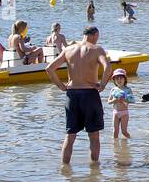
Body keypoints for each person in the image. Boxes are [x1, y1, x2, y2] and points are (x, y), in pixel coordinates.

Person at [47, 25, 112, 164]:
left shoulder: (68, 49)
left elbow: (50, 68)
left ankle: (65, 169)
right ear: (94, 35)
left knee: (70, 136)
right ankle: (94, 169)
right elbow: (108, 67)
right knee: (94, 136)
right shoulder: (96, 49)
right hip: (90, 94)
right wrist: (103, 84)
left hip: (72, 94)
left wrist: (61, 86)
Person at [108, 68, 134, 140]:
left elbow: (132, 100)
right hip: (115, 113)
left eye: (121, 78)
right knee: (115, 132)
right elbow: (109, 101)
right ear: (114, 80)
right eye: (117, 78)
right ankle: (115, 147)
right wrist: (114, 100)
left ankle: (131, 140)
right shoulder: (113, 90)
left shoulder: (128, 89)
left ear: (125, 79)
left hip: (124, 113)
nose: (119, 80)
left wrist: (124, 100)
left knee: (124, 132)